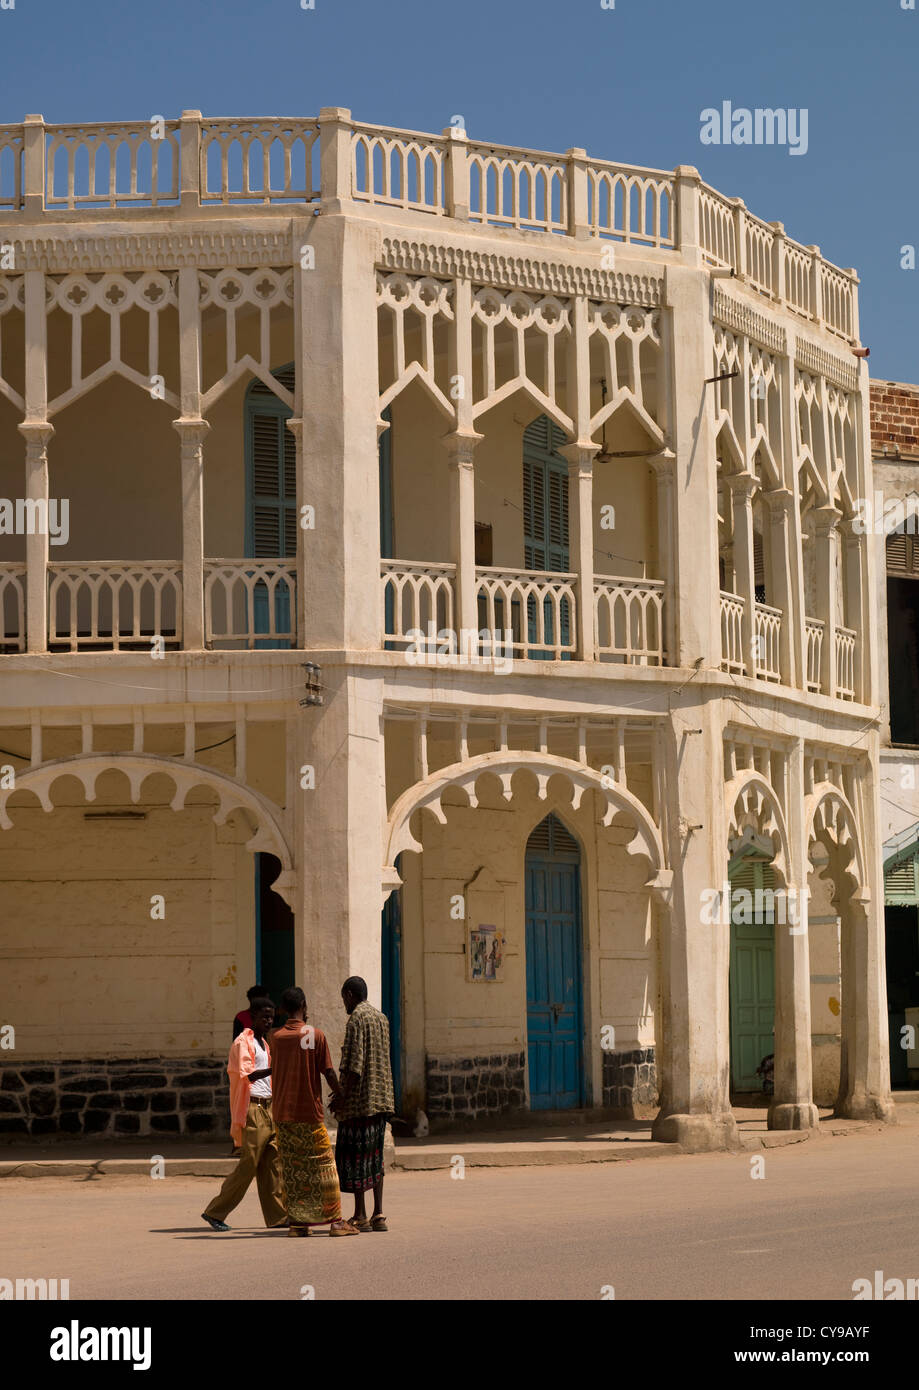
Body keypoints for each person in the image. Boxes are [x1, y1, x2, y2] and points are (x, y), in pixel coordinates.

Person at [270, 986, 358, 1237]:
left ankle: (299, 1223)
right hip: (309, 1111)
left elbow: (278, 1069)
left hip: (283, 1113)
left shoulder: (275, 1037)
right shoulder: (315, 1034)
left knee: (294, 1169)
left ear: (284, 1009)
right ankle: (336, 1221)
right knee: (325, 1166)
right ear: (304, 1006)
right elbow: (328, 1071)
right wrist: (341, 1094)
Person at [201, 998, 287, 1232]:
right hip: (252, 1109)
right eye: (264, 1017)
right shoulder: (242, 1042)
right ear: (253, 1018)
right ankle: (214, 1211)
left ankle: (278, 1216)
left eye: (271, 1017)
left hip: (268, 1108)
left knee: (272, 1163)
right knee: (248, 1165)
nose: (269, 1021)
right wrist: (275, 1068)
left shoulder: (264, 1043)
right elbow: (246, 1075)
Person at [331, 976, 395, 1233]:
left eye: (343, 998)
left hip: (361, 1102)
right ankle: (379, 1212)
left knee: (356, 1157)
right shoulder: (381, 1018)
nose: (343, 1003)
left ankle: (360, 1215)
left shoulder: (356, 1018)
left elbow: (354, 1065)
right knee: (375, 1157)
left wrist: (340, 1096)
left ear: (349, 994)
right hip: (381, 1100)